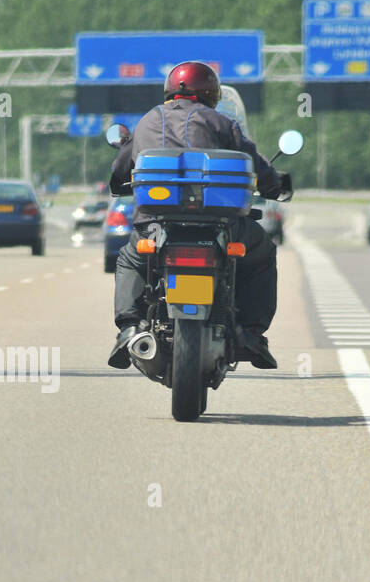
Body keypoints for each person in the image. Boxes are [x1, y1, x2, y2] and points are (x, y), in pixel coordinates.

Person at [107, 61, 291, 370]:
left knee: (129, 257)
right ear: (211, 93)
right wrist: (275, 185)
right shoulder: (222, 123)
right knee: (262, 254)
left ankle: (129, 329)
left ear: (170, 91)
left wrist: (120, 181)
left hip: (155, 225)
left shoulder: (148, 121)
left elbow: (119, 171)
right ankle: (252, 334)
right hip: (221, 226)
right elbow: (255, 163)